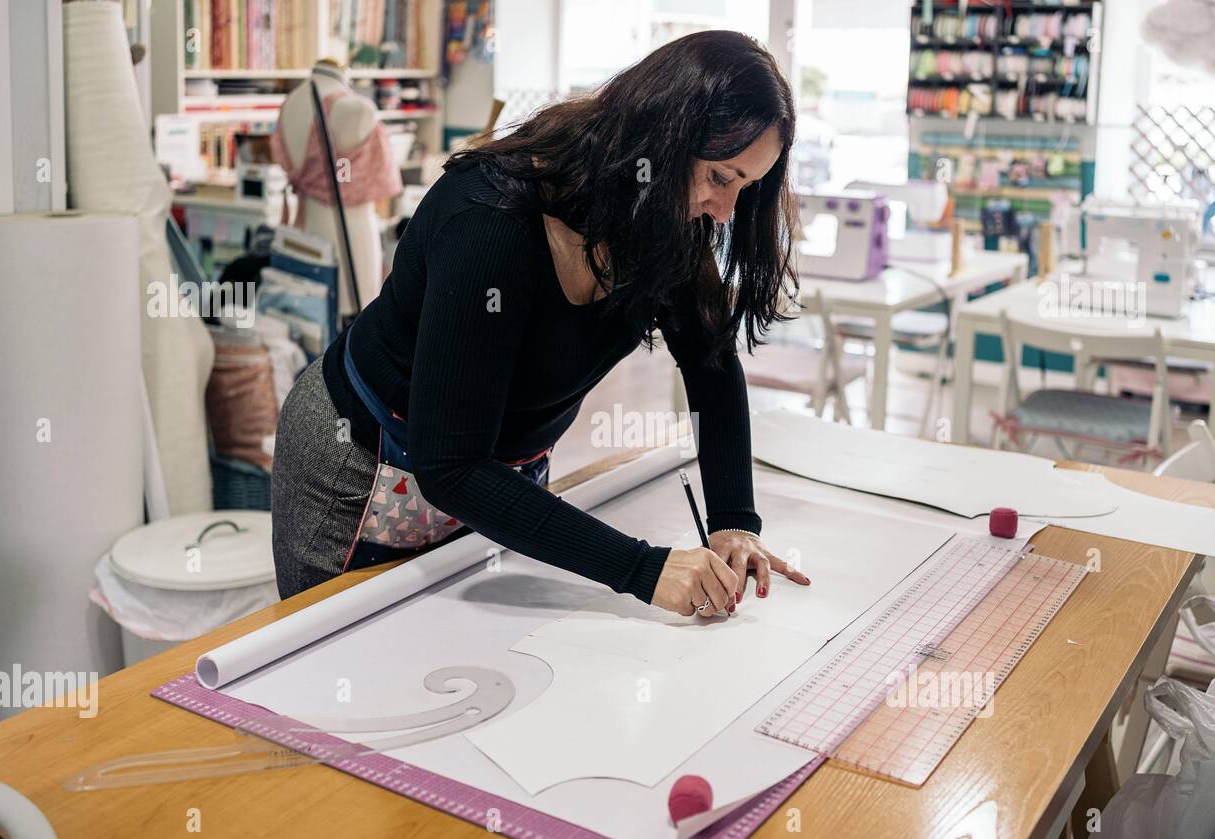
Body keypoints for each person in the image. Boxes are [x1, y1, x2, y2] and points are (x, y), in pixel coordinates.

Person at [271, 30, 811, 620]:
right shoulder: (490, 222)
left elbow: (710, 365)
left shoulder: (664, 217)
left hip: (494, 475)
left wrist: (734, 520)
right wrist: (640, 568)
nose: (727, 211)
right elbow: (448, 466)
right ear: (661, 139)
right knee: (338, 671)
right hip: (363, 462)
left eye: (746, 187)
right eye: (720, 177)